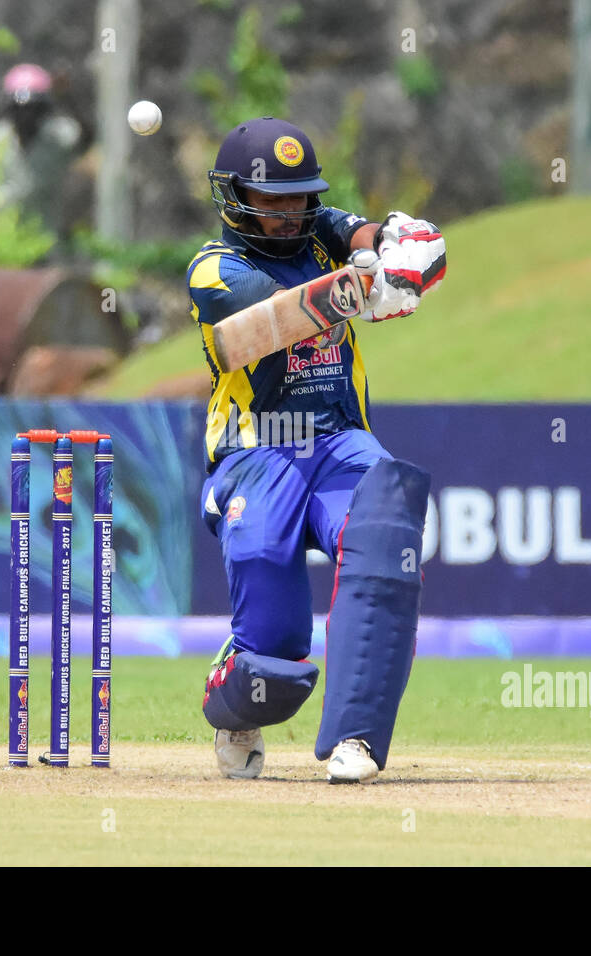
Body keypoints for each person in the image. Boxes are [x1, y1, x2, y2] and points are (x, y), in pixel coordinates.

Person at [187, 117, 446, 783]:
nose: (287, 212)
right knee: (275, 653)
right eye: (271, 199)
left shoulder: (323, 229)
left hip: (339, 441)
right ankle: (235, 697)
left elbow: (384, 241)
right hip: (257, 449)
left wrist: (407, 247)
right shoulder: (216, 270)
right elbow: (282, 314)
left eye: (299, 197)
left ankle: (355, 733)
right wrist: (363, 287)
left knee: (390, 535)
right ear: (236, 197)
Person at [0, 63, 83, 237]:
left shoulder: (58, 139)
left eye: (33, 109)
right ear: (9, 109)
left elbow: (86, 138)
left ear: (43, 110)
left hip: (45, 243)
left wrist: (66, 98)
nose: (26, 116)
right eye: (19, 109)